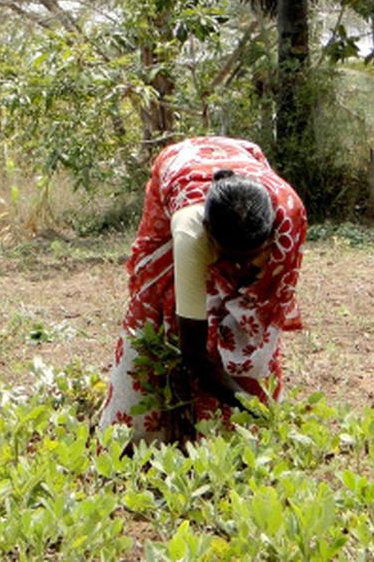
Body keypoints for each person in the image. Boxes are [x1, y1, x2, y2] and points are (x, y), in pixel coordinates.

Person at [98, 137, 306, 444]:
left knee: (250, 317)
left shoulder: (288, 216)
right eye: (231, 258)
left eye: (253, 256)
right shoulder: (190, 233)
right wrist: (251, 407)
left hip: (243, 158)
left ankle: (238, 429)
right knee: (158, 304)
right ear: (209, 234)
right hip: (178, 166)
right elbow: (192, 352)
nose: (238, 269)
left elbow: (265, 309)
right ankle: (146, 434)